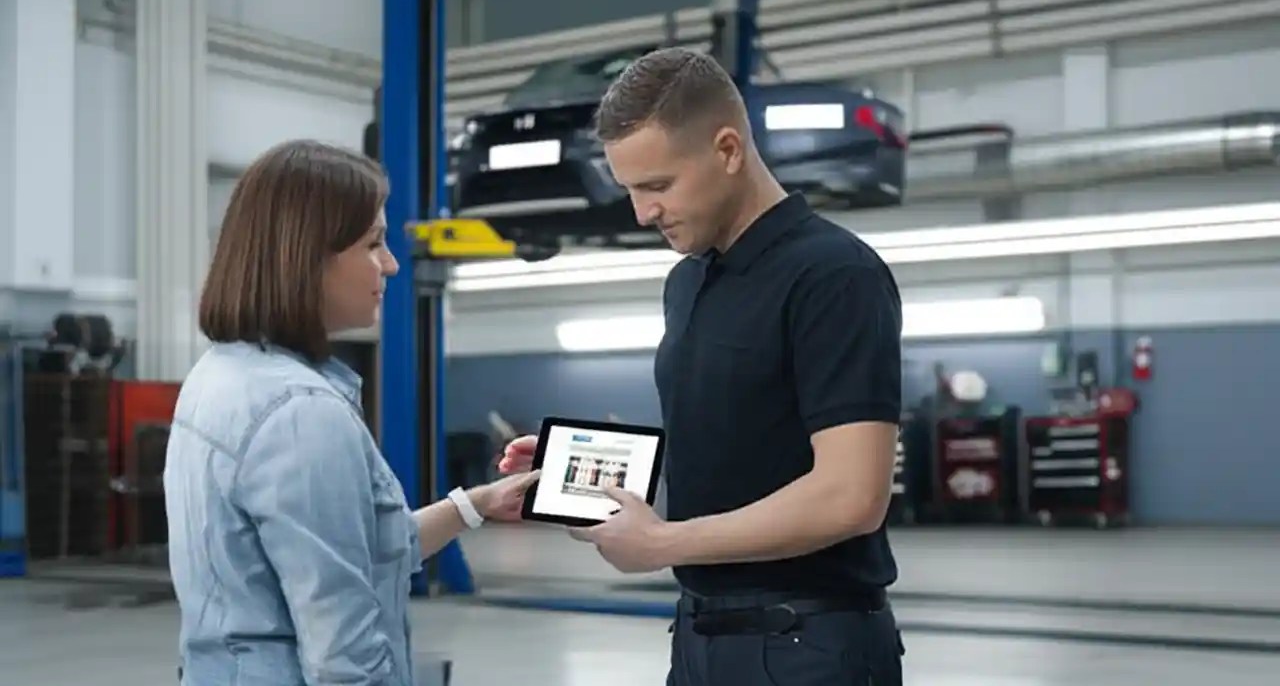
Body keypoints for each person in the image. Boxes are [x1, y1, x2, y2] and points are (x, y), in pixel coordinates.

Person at [499, 47, 905, 684]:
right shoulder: (687, 283)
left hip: (808, 648)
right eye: (630, 189)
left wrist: (663, 544)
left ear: (728, 150)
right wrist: (571, 486)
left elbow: (852, 496)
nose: (641, 212)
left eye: (657, 185)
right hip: (698, 638)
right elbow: (729, 447)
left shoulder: (833, 275)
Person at [163, 140, 540, 685]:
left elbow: (360, 551)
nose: (389, 264)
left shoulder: (221, 375)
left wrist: (476, 505)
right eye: (374, 243)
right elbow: (341, 651)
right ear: (307, 255)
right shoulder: (301, 413)